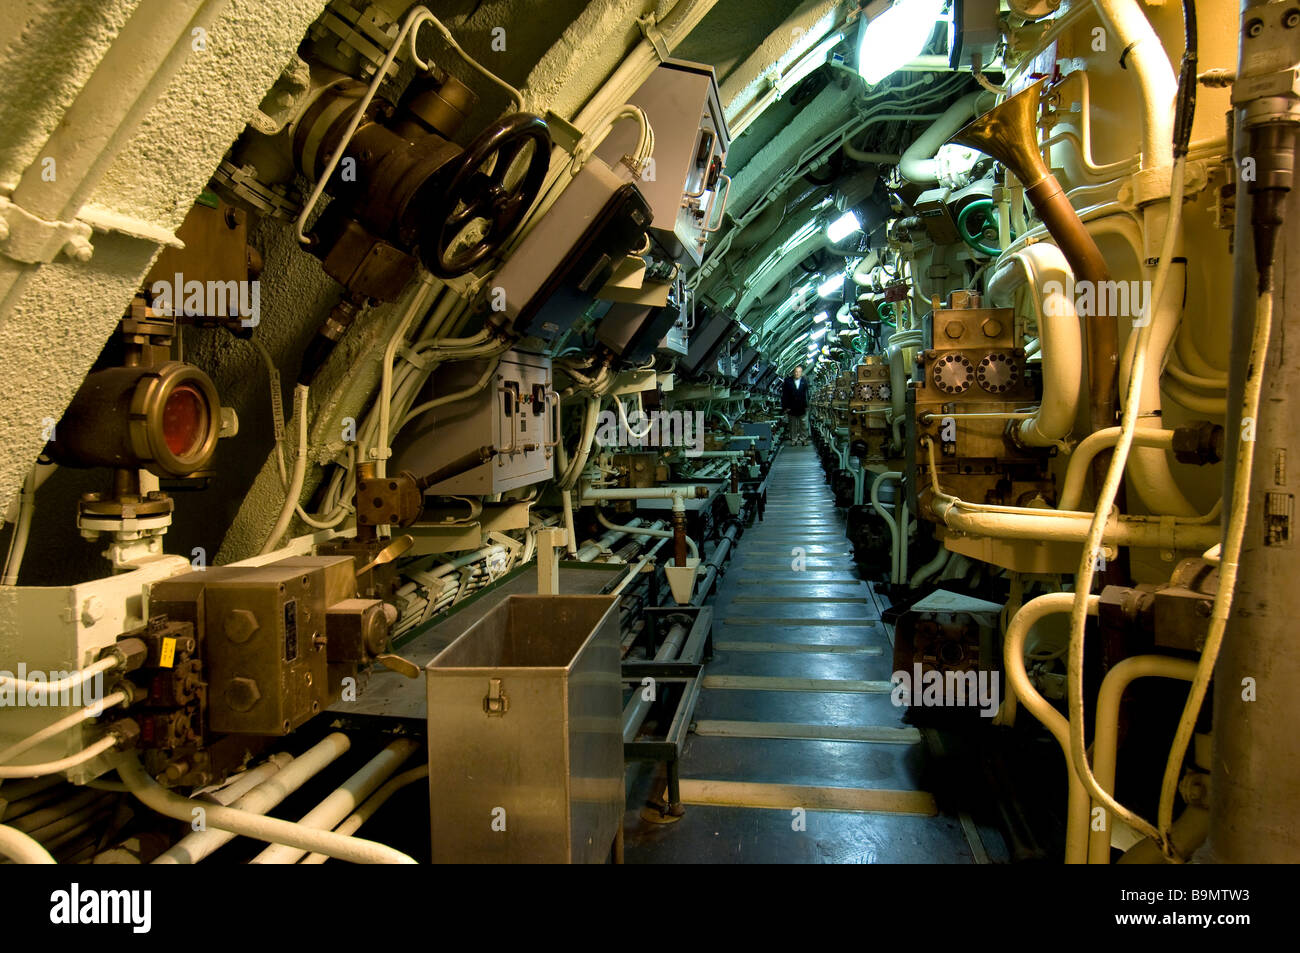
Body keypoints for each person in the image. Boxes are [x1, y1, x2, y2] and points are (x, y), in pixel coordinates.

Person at [781, 365, 810, 445]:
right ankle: (794, 439)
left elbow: (807, 394)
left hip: (802, 406)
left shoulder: (804, 381)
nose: (797, 373)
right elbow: (784, 395)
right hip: (791, 406)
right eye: (796, 372)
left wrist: (807, 405)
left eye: (799, 372)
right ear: (794, 372)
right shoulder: (788, 381)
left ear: (801, 373)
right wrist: (785, 407)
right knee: (792, 424)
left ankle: (803, 439)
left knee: (803, 424)